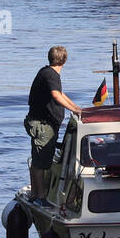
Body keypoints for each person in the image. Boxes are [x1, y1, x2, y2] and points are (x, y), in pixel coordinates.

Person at [25, 46, 83, 201]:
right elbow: (56, 95)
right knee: (40, 163)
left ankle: (35, 194)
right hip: (43, 125)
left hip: (42, 123)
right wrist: (75, 111)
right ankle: (40, 197)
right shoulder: (51, 75)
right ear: (64, 60)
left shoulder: (47, 73)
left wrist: (76, 107)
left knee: (38, 160)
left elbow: (60, 93)